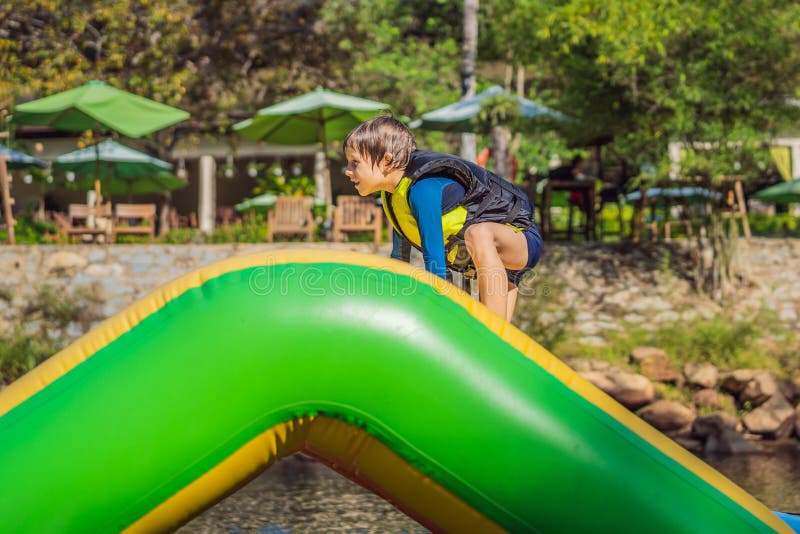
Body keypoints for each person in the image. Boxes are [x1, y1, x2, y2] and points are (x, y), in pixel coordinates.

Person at [343, 116, 542, 321]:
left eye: (355, 163)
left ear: (387, 160)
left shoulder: (422, 189)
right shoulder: (394, 197)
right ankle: (496, 339)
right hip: (489, 270)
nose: (348, 171)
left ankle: (490, 333)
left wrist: (437, 315)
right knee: (481, 337)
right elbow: (399, 261)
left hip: (519, 240)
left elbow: (434, 260)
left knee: (477, 233)